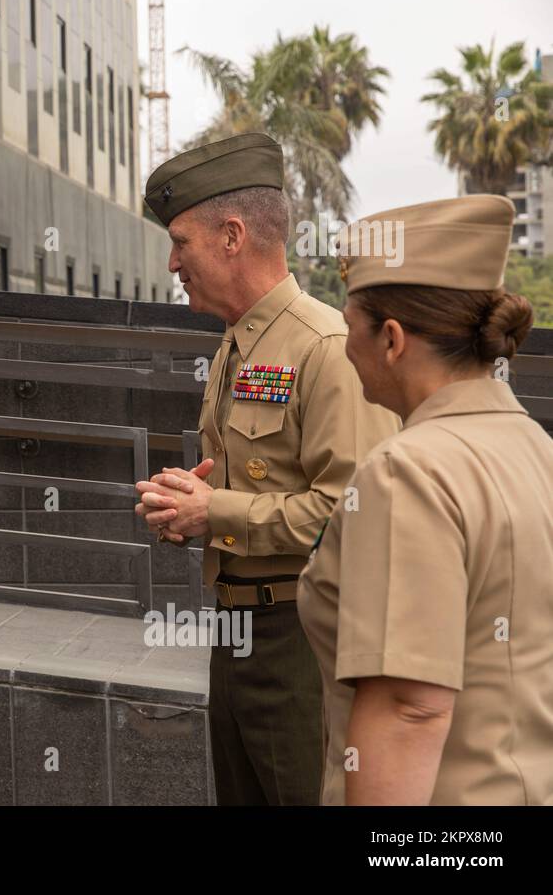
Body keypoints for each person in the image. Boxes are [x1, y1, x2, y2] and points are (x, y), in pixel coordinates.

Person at [133, 133, 400, 805]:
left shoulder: (325, 347)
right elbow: (260, 478)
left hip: (301, 644)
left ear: (231, 236)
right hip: (236, 632)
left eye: (181, 242)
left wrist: (214, 510)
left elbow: (353, 513)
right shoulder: (238, 343)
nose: (172, 263)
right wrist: (191, 503)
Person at [299, 195, 553, 805]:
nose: (343, 346)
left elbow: (408, 708)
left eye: (349, 327)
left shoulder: (406, 473)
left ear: (390, 339)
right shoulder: (537, 449)